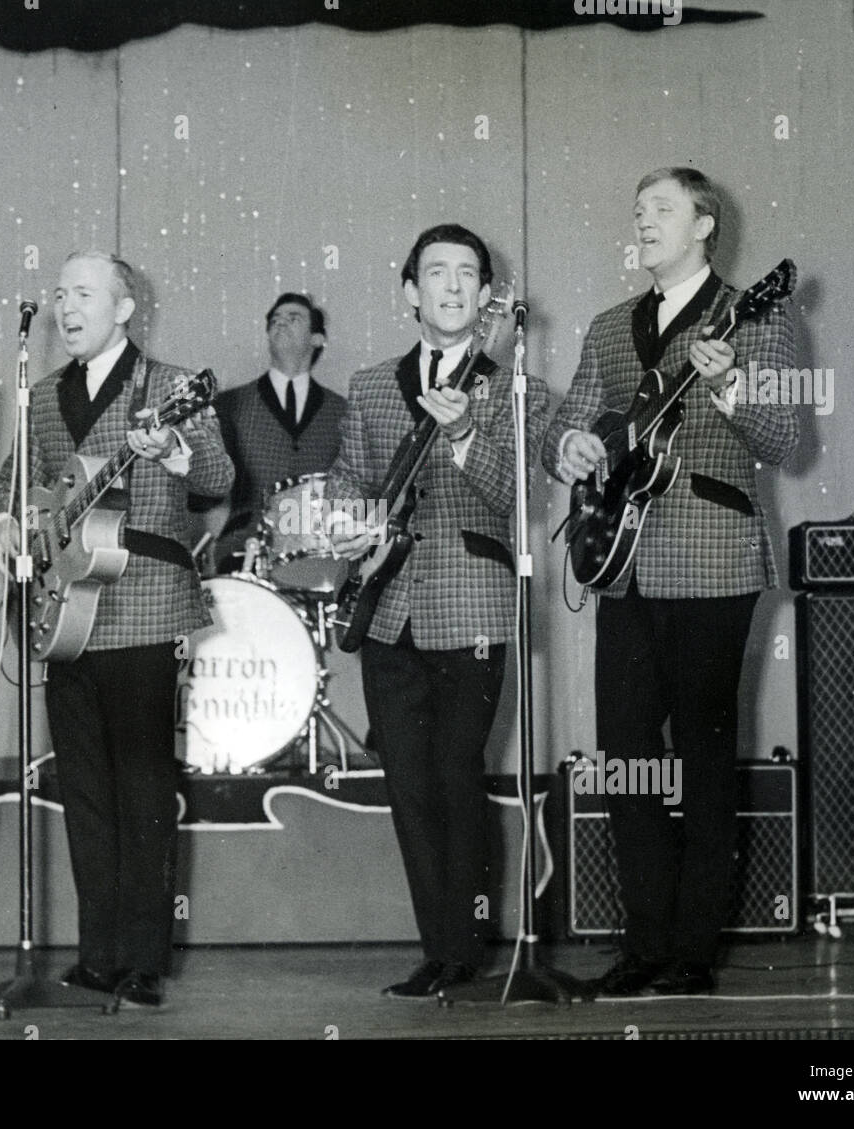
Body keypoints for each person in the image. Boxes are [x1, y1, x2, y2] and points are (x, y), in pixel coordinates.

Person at [541, 167, 798, 996]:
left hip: (713, 558)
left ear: (704, 226)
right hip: (622, 567)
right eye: (638, 207)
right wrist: (570, 446)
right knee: (625, 759)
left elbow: (784, 435)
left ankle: (692, 952)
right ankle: (644, 943)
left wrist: (726, 383)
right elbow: (568, 417)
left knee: (705, 754)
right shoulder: (612, 327)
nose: (644, 220)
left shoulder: (756, 313)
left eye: (661, 209)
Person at [0, 251, 233, 1008]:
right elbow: (7, 483)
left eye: (84, 293)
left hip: (147, 601)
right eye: (60, 294)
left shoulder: (171, 387)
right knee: (84, 788)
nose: (65, 306)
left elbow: (220, 479)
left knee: (145, 786)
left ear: (125, 309)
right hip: (66, 613)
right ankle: (97, 955)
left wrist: (181, 452)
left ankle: (143, 959)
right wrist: (1, 522)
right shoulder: (46, 393)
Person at [327, 224, 542, 998]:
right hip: (388, 609)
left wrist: (461, 434)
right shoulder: (370, 384)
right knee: (410, 785)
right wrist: (348, 519)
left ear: (487, 296)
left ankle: (474, 946)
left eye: (467, 275)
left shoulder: (514, 387)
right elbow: (350, 479)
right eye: (435, 273)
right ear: (410, 291)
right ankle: (440, 948)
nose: (451, 286)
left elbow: (516, 492)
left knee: (458, 774)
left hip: (473, 605)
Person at [192, 293, 345, 574]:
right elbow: (206, 489)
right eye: (275, 319)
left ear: (317, 339)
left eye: (293, 318)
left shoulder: (344, 411)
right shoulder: (227, 405)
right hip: (240, 550)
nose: (280, 323)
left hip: (319, 557)